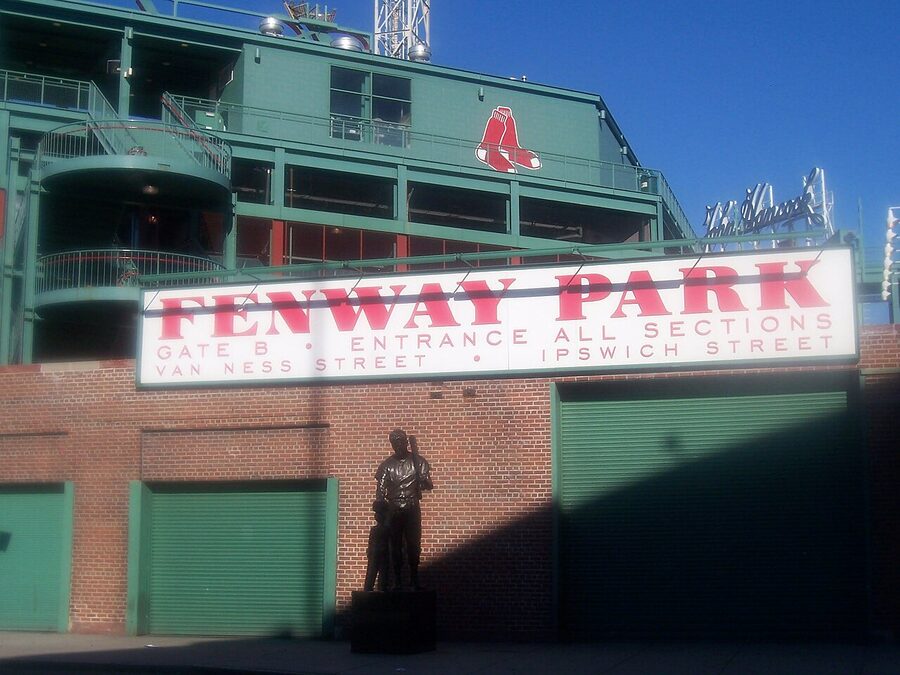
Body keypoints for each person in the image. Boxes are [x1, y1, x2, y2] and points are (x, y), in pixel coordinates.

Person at [375, 428, 433, 590]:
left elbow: (429, 485)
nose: (398, 446)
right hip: (394, 509)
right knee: (395, 545)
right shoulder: (386, 466)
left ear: (406, 443)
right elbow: (380, 490)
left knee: (414, 544)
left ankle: (414, 578)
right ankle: (398, 580)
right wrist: (380, 505)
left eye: (401, 442)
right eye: (395, 443)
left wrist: (424, 480)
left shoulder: (419, 462)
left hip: (412, 506)